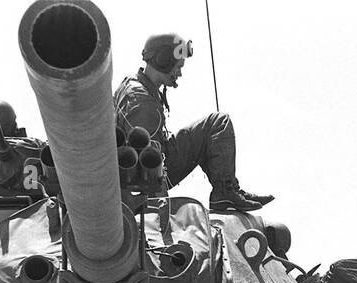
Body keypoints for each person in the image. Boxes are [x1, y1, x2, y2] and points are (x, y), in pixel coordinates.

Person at [114, 34, 273, 213]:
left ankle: (225, 191)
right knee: (219, 122)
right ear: (163, 60)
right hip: (140, 183)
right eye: (178, 66)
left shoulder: (139, 88)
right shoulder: (141, 99)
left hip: (149, 171)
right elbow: (149, 162)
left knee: (217, 123)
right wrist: (160, 214)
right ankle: (224, 192)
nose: (180, 73)